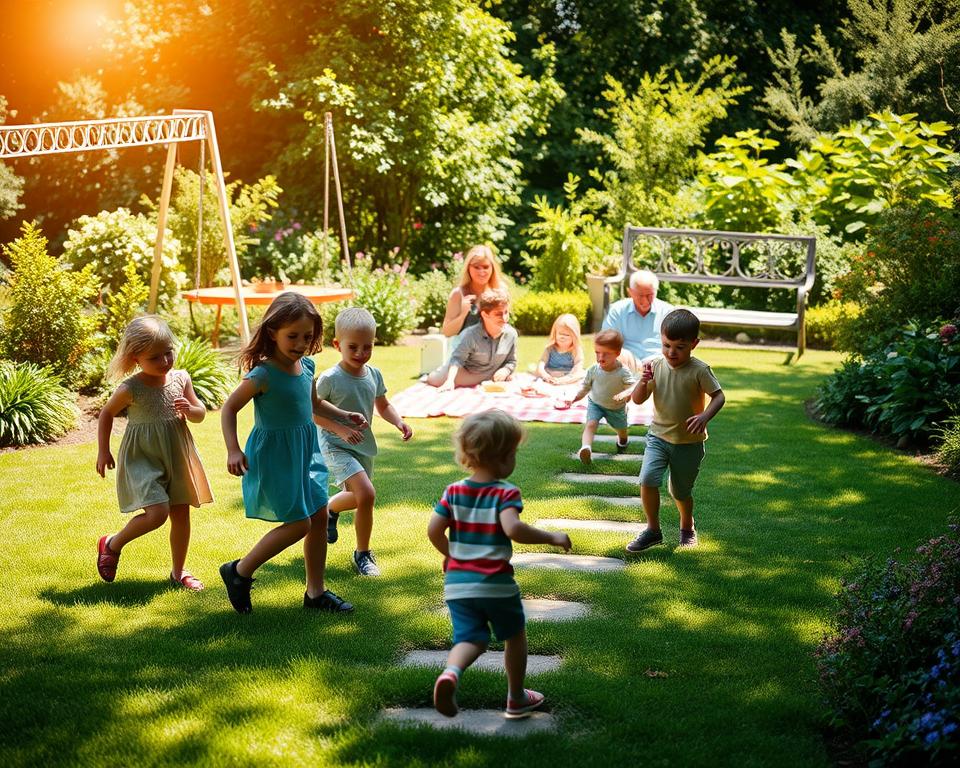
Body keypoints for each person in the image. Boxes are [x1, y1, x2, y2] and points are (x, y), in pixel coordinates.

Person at [219, 292, 361, 614]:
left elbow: (312, 406)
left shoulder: (307, 365)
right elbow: (228, 408)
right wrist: (232, 449)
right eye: (292, 336)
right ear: (272, 333)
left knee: (319, 514)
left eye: (306, 336)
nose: (299, 343)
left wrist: (342, 415)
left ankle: (315, 593)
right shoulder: (263, 375)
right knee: (299, 524)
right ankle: (239, 572)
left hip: (304, 454)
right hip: (275, 457)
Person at [427, 409, 572, 719]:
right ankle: (517, 697)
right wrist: (552, 537)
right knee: (514, 635)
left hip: (457, 583)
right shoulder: (505, 493)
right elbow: (514, 530)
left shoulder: (453, 492)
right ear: (505, 457)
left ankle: (451, 672)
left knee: (470, 638)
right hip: (495, 583)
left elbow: (433, 530)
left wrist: (452, 555)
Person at [95, 315, 212, 591]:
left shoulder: (181, 378)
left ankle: (178, 571)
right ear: (136, 358)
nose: (165, 362)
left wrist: (190, 410)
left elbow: (200, 414)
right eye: (155, 358)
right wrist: (103, 451)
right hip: (143, 457)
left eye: (168, 353)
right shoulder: (131, 388)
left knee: (181, 514)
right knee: (157, 514)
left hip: (177, 454)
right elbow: (106, 414)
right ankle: (112, 543)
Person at [314, 307, 414, 577]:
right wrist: (341, 430)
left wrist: (399, 421)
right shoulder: (330, 379)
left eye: (367, 347)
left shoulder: (374, 374)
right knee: (367, 493)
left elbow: (383, 405)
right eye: (353, 347)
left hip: (363, 445)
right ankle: (363, 554)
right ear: (337, 345)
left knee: (360, 499)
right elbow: (313, 412)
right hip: (335, 444)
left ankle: (329, 510)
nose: (360, 353)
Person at [626, 308, 725, 552]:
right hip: (658, 437)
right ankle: (652, 530)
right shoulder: (656, 366)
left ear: (694, 344)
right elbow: (637, 400)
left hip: (689, 443)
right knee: (648, 479)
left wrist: (704, 416)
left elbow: (719, 397)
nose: (672, 352)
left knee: (680, 492)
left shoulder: (699, 370)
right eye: (666, 345)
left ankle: (687, 526)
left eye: (679, 347)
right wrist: (642, 380)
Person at [559, 329, 636, 464]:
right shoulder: (593, 370)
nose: (600, 357)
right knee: (591, 424)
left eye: (605, 354)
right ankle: (586, 448)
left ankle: (623, 440)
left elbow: (633, 386)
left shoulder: (623, 372)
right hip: (596, 404)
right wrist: (573, 398)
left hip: (616, 408)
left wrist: (626, 394)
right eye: (597, 352)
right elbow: (585, 388)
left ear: (617, 353)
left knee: (621, 430)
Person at [426, 288, 517, 391]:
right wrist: (450, 381)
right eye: (498, 314)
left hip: (493, 373)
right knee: (433, 379)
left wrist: (506, 370)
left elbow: (511, 361)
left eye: (506, 312)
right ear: (484, 314)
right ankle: (442, 371)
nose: (505, 318)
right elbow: (457, 359)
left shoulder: (511, 334)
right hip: (470, 374)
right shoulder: (471, 334)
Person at [601, 269, 674, 369]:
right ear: (630, 292)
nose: (645, 301)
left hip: (660, 366)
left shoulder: (668, 313)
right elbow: (606, 343)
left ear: (656, 292)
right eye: (640, 296)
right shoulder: (617, 311)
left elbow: (677, 347)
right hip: (626, 366)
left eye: (650, 295)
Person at [441, 244, 505, 352]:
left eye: (486, 267)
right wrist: (463, 314)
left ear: (492, 268)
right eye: (476, 267)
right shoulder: (458, 294)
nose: (481, 272)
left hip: (492, 355)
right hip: (462, 357)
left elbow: (503, 329)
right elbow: (447, 332)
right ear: (468, 268)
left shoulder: (499, 293)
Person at [535, 313, 586, 385]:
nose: (562, 337)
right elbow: (541, 364)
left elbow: (577, 368)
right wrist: (545, 375)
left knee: (581, 376)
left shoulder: (576, 350)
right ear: (555, 333)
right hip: (550, 375)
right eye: (560, 333)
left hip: (568, 377)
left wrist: (565, 380)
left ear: (574, 336)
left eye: (567, 335)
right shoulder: (550, 349)